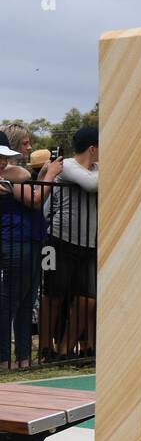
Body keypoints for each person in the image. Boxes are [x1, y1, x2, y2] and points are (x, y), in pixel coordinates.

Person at [0, 132, 60, 368]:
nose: (3, 162)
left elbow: (29, 187)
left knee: (25, 301)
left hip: (31, 240)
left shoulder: (9, 176)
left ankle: (23, 359)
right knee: (10, 302)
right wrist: (52, 176)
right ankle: (5, 360)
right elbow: (35, 200)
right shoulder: (6, 180)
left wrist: (45, 173)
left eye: (5, 157)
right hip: (15, 242)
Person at [47, 126, 99, 361]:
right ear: (92, 148)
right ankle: (46, 348)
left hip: (89, 244)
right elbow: (90, 184)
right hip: (60, 240)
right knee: (54, 296)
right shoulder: (67, 165)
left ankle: (65, 349)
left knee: (87, 299)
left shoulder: (97, 170)